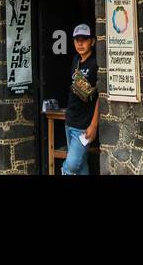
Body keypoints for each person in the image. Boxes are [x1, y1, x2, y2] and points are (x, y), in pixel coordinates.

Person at [61, 23, 99, 176]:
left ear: (93, 41)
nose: (80, 43)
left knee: (71, 166)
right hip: (70, 121)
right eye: (77, 40)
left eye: (84, 39)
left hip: (84, 126)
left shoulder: (96, 63)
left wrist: (94, 125)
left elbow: (100, 98)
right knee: (81, 167)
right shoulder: (75, 60)